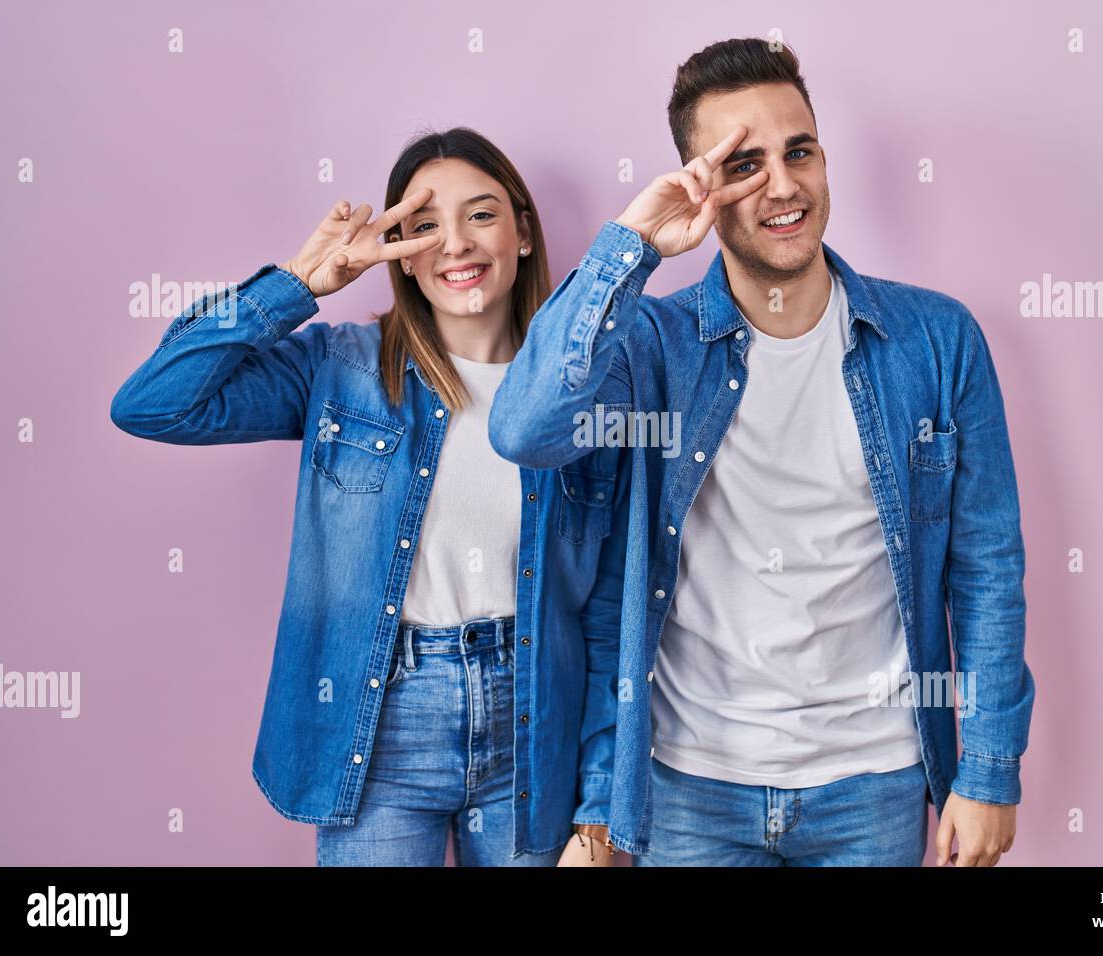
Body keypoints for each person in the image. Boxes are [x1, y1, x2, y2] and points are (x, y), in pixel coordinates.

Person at [489, 38, 1035, 866]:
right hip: (689, 787)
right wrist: (630, 248)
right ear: (700, 188)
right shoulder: (649, 347)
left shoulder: (937, 340)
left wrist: (989, 770)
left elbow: (987, 564)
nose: (784, 186)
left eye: (800, 152)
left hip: (874, 782)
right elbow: (524, 429)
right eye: (744, 165)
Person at [111, 127, 626, 867]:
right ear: (402, 256)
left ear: (521, 231)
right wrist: (296, 282)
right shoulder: (343, 368)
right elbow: (154, 402)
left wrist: (599, 813)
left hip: (533, 727)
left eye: (480, 214)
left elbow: (605, 613)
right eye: (422, 226)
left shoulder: (588, 396)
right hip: (383, 722)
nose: (455, 242)